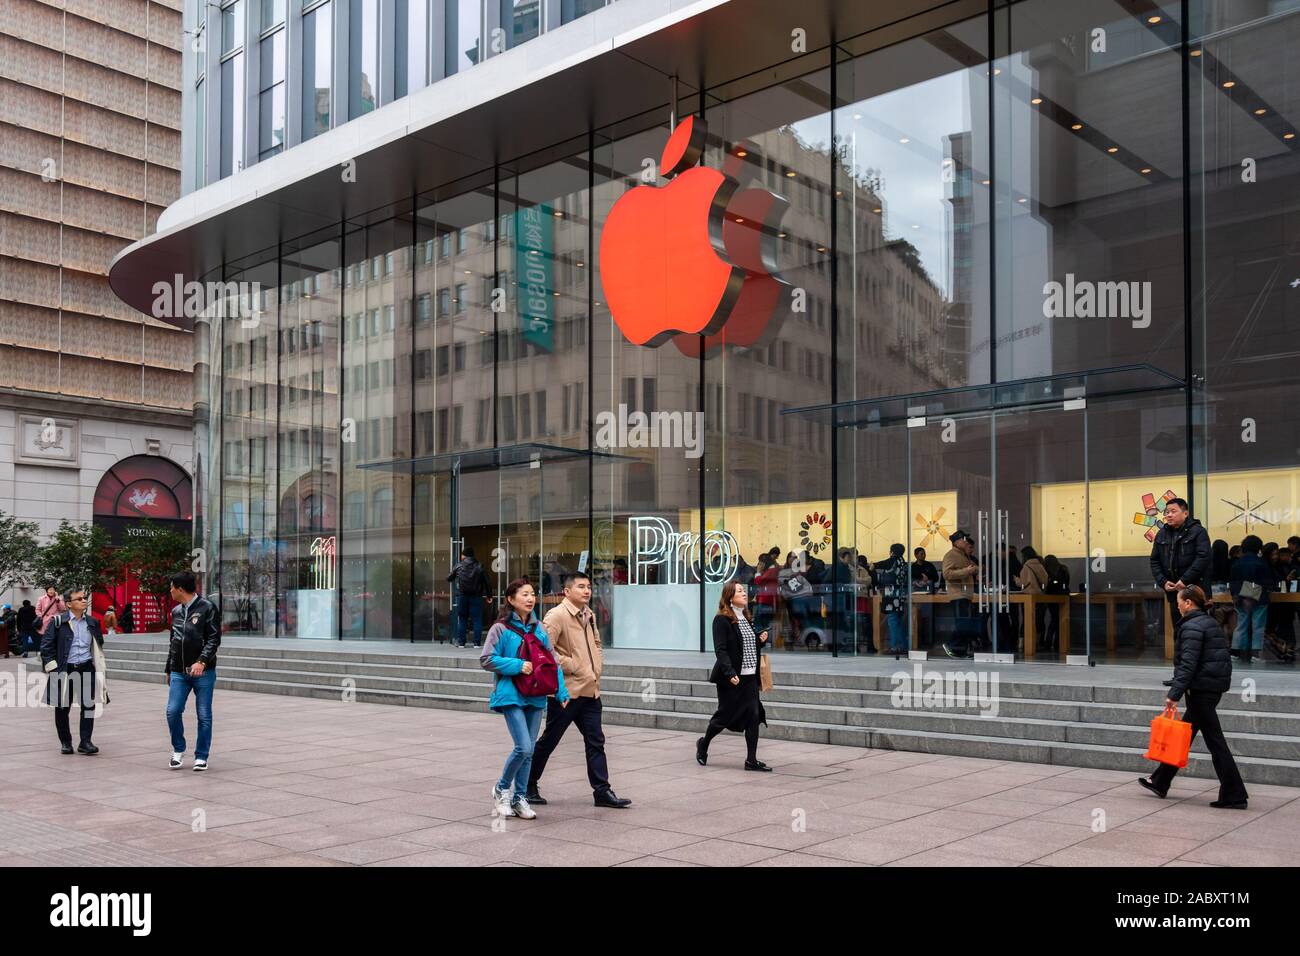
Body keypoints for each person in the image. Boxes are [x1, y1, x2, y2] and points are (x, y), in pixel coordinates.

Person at [525, 571, 630, 809]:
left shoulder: (588, 614)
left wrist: (596, 666)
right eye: (581, 586)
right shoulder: (557, 615)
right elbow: (543, 650)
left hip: (590, 690)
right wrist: (574, 665)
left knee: (596, 741)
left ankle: (602, 791)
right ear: (567, 591)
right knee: (549, 740)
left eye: (589, 587)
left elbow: (596, 644)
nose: (587, 591)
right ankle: (529, 783)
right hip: (567, 693)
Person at [1138, 585, 1248, 809]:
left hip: (1201, 690)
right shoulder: (1208, 622)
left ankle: (1235, 794)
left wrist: (1174, 694)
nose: (1177, 605)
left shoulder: (1192, 627)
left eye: (1179, 600)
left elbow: (1189, 664)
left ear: (1188, 603)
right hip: (1210, 687)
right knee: (1185, 735)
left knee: (1216, 742)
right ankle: (1160, 781)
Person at [480, 577, 569, 819]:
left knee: (528, 751)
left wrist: (561, 691)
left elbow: (553, 662)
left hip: (536, 693)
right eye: (524, 594)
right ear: (511, 599)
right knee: (524, 746)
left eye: (532, 594)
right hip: (511, 694)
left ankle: (519, 798)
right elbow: (487, 659)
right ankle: (500, 789)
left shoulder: (538, 628)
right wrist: (518, 665)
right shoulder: (500, 628)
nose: (530, 599)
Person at [696, 581, 771, 771]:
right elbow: (721, 651)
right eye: (740, 591)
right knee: (723, 717)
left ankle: (751, 760)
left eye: (744, 591)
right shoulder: (721, 620)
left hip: (749, 678)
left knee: (753, 716)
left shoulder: (746, 617)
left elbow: (745, 647)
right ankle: (704, 743)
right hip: (731, 679)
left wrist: (759, 640)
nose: (744, 594)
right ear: (730, 597)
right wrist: (730, 673)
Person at [40, 588, 108, 755]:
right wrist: (53, 669)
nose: (84, 601)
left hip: (86, 668)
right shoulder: (58, 622)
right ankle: (66, 742)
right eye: (79, 599)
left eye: (84, 598)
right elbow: (46, 648)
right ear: (69, 604)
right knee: (63, 707)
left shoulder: (92, 622)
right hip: (64, 669)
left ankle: (85, 742)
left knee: (88, 705)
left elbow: (99, 643)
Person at [165, 571, 221, 771]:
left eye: (172, 587)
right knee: (172, 711)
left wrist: (202, 662)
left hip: (203, 672)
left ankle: (201, 755)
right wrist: (169, 669)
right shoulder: (176, 612)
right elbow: (173, 641)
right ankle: (178, 750)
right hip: (179, 672)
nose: (170, 591)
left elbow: (214, 639)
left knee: (204, 714)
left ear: (180, 589)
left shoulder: (207, 608)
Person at [1149, 497, 1211, 629]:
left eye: (1173, 511)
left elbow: (1203, 558)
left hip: (1194, 591)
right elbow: (1154, 561)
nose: (1168, 515)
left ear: (1185, 513)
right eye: (1166, 512)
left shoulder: (1198, 532)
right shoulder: (1161, 534)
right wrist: (1163, 582)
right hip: (1174, 593)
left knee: (1197, 630)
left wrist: (1184, 580)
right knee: (1179, 630)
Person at [1229, 535, 1274, 664]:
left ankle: (1235, 652)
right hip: (1259, 600)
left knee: (1241, 625)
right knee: (1258, 626)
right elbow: (1266, 582)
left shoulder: (1237, 563)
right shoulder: (1261, 563)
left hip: (1240, 600)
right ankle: (1256, 654)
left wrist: (1239, 596)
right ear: (1259, 548)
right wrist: (1251, 596)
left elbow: (1233, 582)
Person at [941, 531, 980, 658]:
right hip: (958, 594)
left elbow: (971, 569)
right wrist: (967, 571)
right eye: (964, 540)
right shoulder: (950, 555)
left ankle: (961, 650)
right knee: (962, 623)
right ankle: (951, 645)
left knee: (966, 623)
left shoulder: (964, 555)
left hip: (966, 594)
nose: (966, 542)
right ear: (957, 542)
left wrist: (976, 570)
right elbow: (947, 574)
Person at [447, 546, 491, 647]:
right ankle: (476, 643)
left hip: (462, 596)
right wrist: (489, 595)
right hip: (476, 596)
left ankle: (461, 643)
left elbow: (449, 578)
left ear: (464, 555)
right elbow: (487, 582)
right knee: (477, 619)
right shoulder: (480, 566)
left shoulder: (459, 565)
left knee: (462, 619)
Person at [875, 544, 909, 656]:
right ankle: (903, 645)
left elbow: (881, 564)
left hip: (892, 593)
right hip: (901, 594)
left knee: (892, 619)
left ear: (892, 552)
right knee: (898, 620)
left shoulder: (893, 560)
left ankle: (895, 646)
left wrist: (872, 565)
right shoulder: (903, 562)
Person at [1018, 546, 1050, 651]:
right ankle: (1037, 642)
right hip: (1040, 597)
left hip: (1027, 597)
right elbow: (1045, 581)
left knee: (1026, 620)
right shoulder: (1040, 565)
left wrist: (1016, 580)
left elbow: (1023, 583)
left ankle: (1022, 644)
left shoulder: (1026, 567)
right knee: (1039, 620)